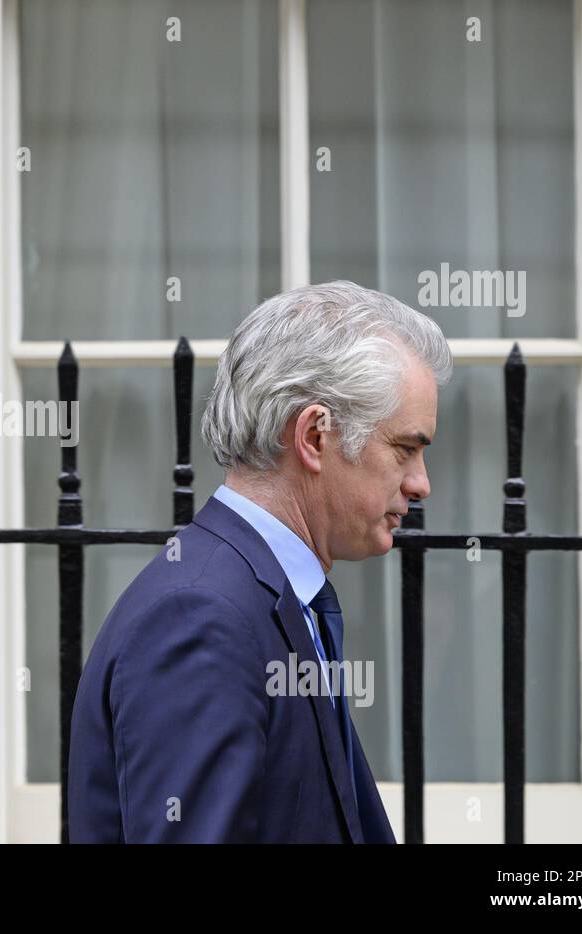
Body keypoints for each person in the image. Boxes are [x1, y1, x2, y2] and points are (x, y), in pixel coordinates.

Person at [67, 280, 451, 843]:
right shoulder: (200, 617)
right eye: (404, 449)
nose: (421, 484)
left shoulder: (257, 597)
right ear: (314, 436)